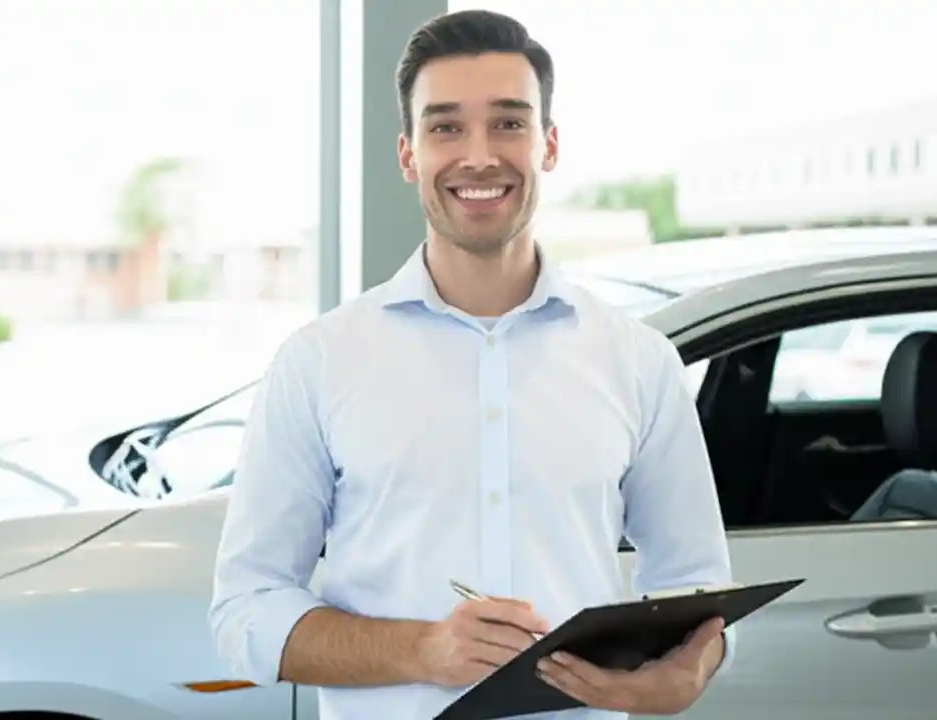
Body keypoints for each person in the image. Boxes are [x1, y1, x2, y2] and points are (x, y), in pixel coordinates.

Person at [208, 9, 733, 719]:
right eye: (446, 126)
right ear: (408, 154)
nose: (479, 155)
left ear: (548, 145)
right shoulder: (319, 362)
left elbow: (696, 589)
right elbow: (245, 612)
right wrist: (419, 650)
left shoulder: (638, 361)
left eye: (509, 123)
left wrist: (689, 672)